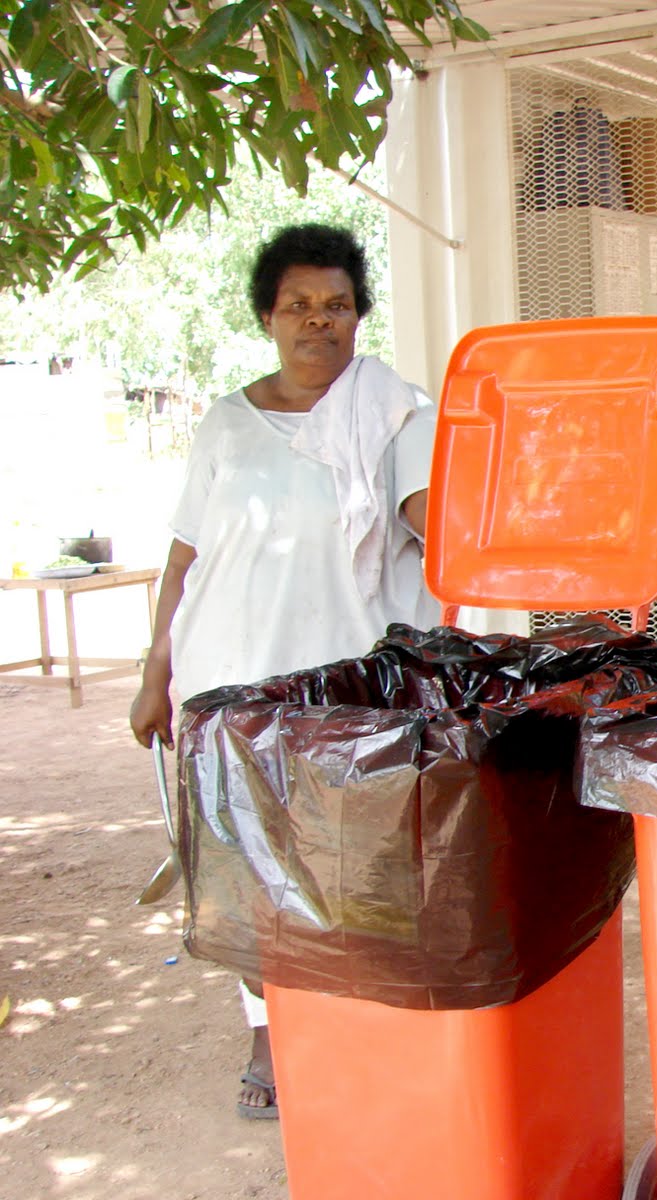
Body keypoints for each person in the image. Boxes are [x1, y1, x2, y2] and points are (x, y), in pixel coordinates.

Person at [129, 223, 439, 1119]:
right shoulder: (227, 421)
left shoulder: (395, 414)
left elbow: (433, 520)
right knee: (248, 867)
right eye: (298, 306)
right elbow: (185, 557)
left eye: (337, 305)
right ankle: (267, 1030)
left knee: (355, 861)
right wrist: (157, 670)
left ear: (358, 315)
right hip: (227, 680)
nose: (319, 323)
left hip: (345, 691)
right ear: (268, 317)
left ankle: (364, 1024)